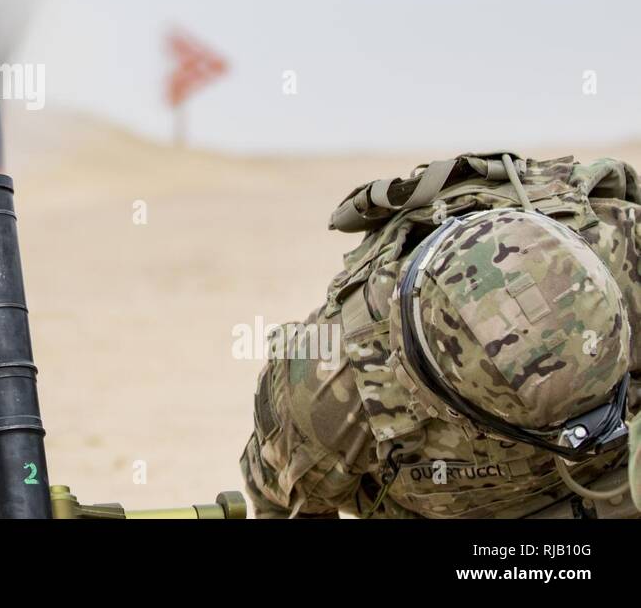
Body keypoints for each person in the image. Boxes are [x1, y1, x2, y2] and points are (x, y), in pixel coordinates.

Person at [241, 152, 638, 518]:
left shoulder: (627, 254)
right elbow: (282, 503)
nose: (588, 440)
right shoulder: (330, 386)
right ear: (442, 399)